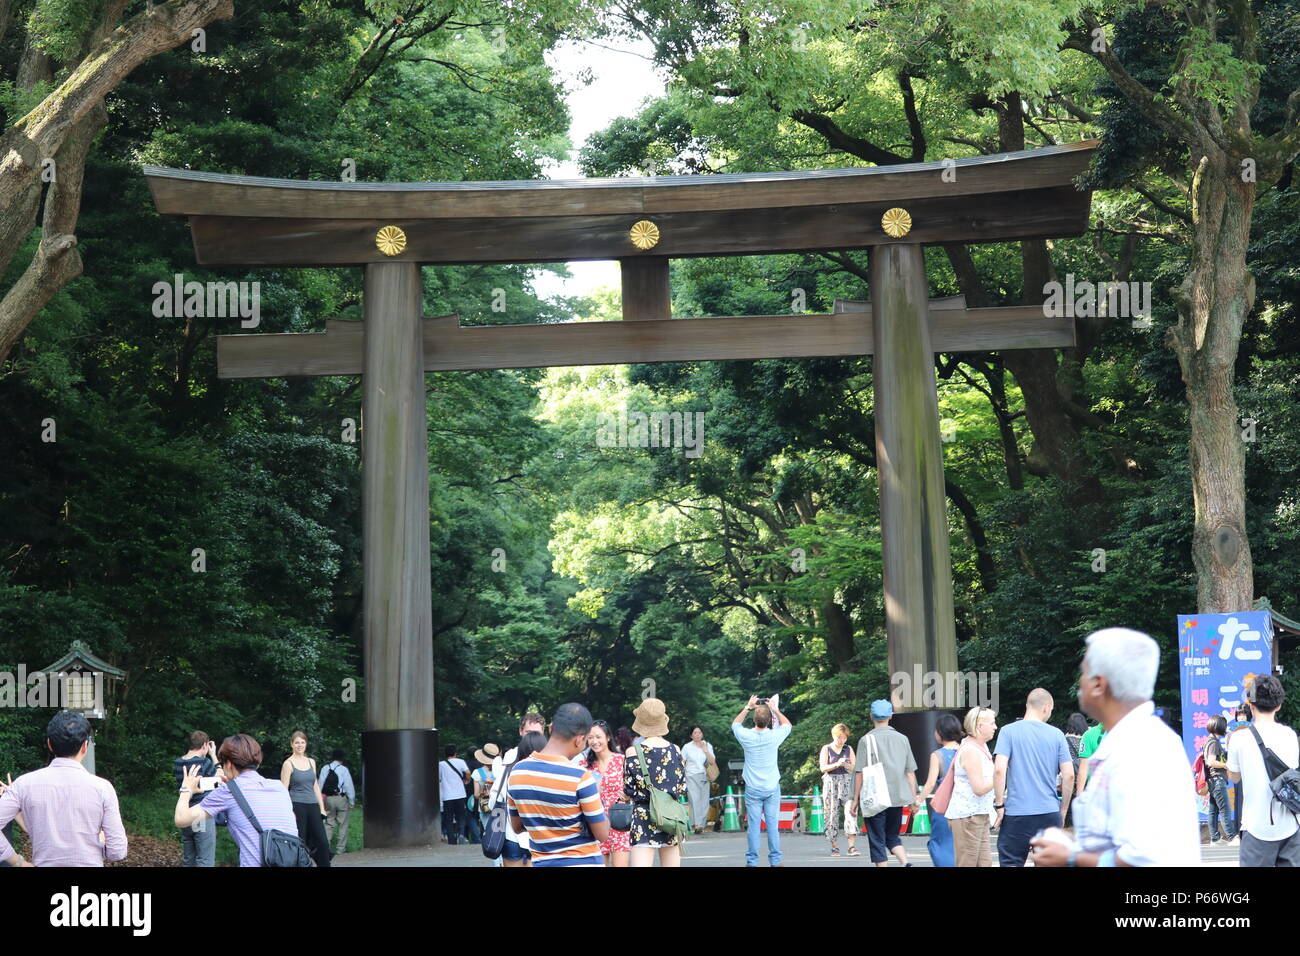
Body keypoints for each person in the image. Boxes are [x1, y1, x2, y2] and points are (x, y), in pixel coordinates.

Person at [1031, 627, 1200, 867]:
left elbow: (1146, 857)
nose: (1080, 680)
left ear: (1099, 685)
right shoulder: (1128, 740)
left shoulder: (1141, 748)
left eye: (1084, 672)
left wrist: (1070, 856)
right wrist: (1071, 843)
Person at [0, 710, 127, 867]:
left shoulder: (24, 785)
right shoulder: (103, 788)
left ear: (49, 744)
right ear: (85, 747)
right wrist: (98, 842)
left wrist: (18, 862)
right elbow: (117, 852)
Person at [506, 703, 609, 867]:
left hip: (542, 862)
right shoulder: (581, 777)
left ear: (551, 728)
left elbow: (517, 826)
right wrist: (600, 802)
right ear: (579, 739)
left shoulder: (517, 772)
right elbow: (602, 834)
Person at [175, 733, 299, 867]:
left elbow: (181, 819)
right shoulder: (279, 787)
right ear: (258, 761)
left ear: (228, 764)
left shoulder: (228, 792)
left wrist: (186, 789)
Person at [993, 689, 1074, 867]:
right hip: (1048, 812)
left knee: (1011, 862)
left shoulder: (1007, 731)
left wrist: (999, 805)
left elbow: (999, 770)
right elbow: (1068, 775)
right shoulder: (1057, 735)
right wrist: (1062, 811)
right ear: (1046, 707)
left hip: (1016, 813)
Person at [1227, 673, 1299, 866]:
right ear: (1279, 705)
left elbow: (1233, 777)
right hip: (1290, 825)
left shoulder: (1239, 738)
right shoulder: (1290, 735)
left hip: (1256, 826)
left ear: (1251, 705)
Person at [853, 699, 919, 867]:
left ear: (871, 717)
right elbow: (910, 772)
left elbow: (860, 772)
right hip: (897, 797)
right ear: (891, 716)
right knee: (892, 836)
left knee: (877, 839)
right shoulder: (902, 739)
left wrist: (855, 800)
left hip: (875, 797)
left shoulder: (865, 740)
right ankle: (905, 862)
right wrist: (913, 798)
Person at [625, 698, 689, 867]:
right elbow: (681, 787)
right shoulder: (675, 749)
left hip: (644, 816)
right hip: (670, 816)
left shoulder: (633, 752)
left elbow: (629, 789)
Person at [732, 693, 793, 867]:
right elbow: (787, 725)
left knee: (754, 826)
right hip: (772, 786)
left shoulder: (746, 736)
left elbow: (735, 724)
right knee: (772, 825)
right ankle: (775, 860)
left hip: (753, 787)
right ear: (768, 721)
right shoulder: (774, 736)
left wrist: (747, 707)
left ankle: (752, 862)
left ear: (754, 720)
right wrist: (776, 709)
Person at [947, 706, 997, 867]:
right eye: (992, 723)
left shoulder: (981, 747)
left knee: (984, 864)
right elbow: (979, 788)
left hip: (978, 814)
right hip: (968, 816)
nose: (995, 727)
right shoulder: (970, 751)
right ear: (979, 726)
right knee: (967, 863)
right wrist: (1000, 776)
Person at [489, 730, 545, 867]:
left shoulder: (510, 770)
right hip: (539, 837)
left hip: (511, 834)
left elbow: (493, 802)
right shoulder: (547, 774)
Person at [917, 713, 963, 867]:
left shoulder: (937, 755)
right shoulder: (965, 750)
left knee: (941, 846)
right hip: (964, 806)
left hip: (944, 808)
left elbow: (930, 784)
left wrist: (918, 801)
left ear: (940, 733)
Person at [280, 730, 330, 867]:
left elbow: (315, 786)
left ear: (306, 744)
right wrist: (287, 811)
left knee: (322, 841)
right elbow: (283, 790)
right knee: (300, 841)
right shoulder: (288, 764)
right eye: (297, 742)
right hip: (297, 805)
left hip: (312, 804)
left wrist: (322, 808)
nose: (300, 745)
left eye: (302, 742)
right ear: (292, 744)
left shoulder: (311, 762)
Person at [585, 720, 630, 866]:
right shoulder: (584, 766)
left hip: (619, 822)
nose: (594, 741)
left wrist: (629, 795)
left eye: (598, 737)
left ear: (608, 738)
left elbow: (635, 787)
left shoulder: (622, 760)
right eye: (590, 737)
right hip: (595, 824)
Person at [174, 731, 220, 867]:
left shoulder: (178, 762)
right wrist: (213, 755)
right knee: (205, 859)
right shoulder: (204, 762)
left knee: (189, 858)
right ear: (205, 745)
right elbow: (221, 777)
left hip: (185, 812)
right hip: (201, 814)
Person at [819, 723, 858, 857]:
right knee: (831, 815)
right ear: (833, 735)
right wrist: (836, 763)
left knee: (851, 812)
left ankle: (851, 847)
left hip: (846, 783)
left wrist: (846, 764)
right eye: (839, 737)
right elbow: (822, 768)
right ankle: (834, 847)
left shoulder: (848, 748)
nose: (842, 740)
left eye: (844, 738)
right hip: (830, 783)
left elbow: (855, 767)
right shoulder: (826, 748)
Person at [317, 748, 356, 856]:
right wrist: (351, 800)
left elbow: (320, 784)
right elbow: (348, 786)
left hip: (328, 799)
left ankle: (325, 849)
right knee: (343, 824)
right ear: (342, 759)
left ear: (332, 757)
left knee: (329, 823)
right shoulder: (343, 769)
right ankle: (340, 850)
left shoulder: (325, 768)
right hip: (341, 798)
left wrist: (320, 800)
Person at [681, 725, 717, 835]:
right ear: (691, 735)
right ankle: (697, 824)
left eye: (699, 732)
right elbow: (682, 761)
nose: (697, 735)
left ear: (702, 734)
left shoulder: (707, 745)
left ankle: (700, 824)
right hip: (691, 775)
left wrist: (706, 751)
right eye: (695, 733)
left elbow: (712, 761)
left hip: (704, 775)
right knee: (694, 799)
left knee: (704, 801)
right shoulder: (687, 747)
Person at [439, 744, 471, 845]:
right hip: (460, 794)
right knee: (461, 816)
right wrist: (467, 780)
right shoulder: (460, 762)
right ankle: (461, 835)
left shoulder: (441, 764)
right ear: (455, 753)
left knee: (448, 819)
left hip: (447, 796)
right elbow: (468, 772)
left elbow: (439, 778)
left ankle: (451, 841)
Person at [472, 743, 500, 837]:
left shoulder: (477, 773)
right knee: (499, 834)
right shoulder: (502, 771)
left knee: (489, 834)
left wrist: (485, 791)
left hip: (485, 808)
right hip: (500, 807)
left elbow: (476, 794)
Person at [1075, 719, 1105, 794]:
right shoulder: (1089, 734)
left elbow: (1083, 768)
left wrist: (1079, 795)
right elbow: (1083, 768)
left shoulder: (1089, 734)